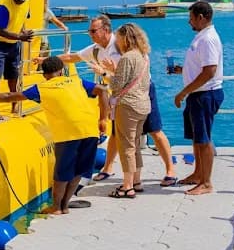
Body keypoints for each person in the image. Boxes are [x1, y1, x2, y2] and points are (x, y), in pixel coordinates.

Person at [50, 15, 177, 186]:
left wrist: (105, 71)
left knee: (155, 130)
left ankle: (169, 171)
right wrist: (47, 60)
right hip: (119, 94)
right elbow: (73, 57)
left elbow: (129, 71)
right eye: (90, 30)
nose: (90, 33)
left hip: (140, 90)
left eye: (93, 30)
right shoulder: (95, 49)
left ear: (106, 30)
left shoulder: (122, 46)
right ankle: (109, 169)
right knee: (117, 133)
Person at [0, 56, 108, 214]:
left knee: (62, 172)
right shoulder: (77, 81)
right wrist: (103, 118)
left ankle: (56, 207)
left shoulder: (42, 88)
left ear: (44, 75)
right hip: (90, 130)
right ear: (62, 70)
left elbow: (9, 97)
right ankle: (65, 205)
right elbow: (102, 90)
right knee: (78, 170)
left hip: (68, 134)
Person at [170, 1, 224, 196]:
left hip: (205, 94)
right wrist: (182, 71)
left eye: (191, 17)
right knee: (196, 137)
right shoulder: (202, 37)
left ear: (201, 17)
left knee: (203, 139)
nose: (189, 22)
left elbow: (210, 71)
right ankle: (198, 174)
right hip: (198, 94)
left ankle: (206, 183)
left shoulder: (208, 39)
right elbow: (200, 68)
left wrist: (183, 91)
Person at [108, 23, 151, 198]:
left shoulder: (127, 58)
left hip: (128, 105)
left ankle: (127, 186)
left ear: (125, 38)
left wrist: (108, 73)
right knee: (136, 145)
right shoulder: (144, 56)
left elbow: (117, 85)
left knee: (126, 145)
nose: (117, 43)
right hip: (143, 104)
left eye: (118, 39)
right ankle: (136, 181)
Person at [0, 0, 35, 103]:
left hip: (14, 45)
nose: (20, 0)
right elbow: (1, 31)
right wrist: (21, 37)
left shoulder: (26, 3)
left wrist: (23, 31)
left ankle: (14, 104)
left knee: (14, 75)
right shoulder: (3, 5)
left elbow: (20, 20)